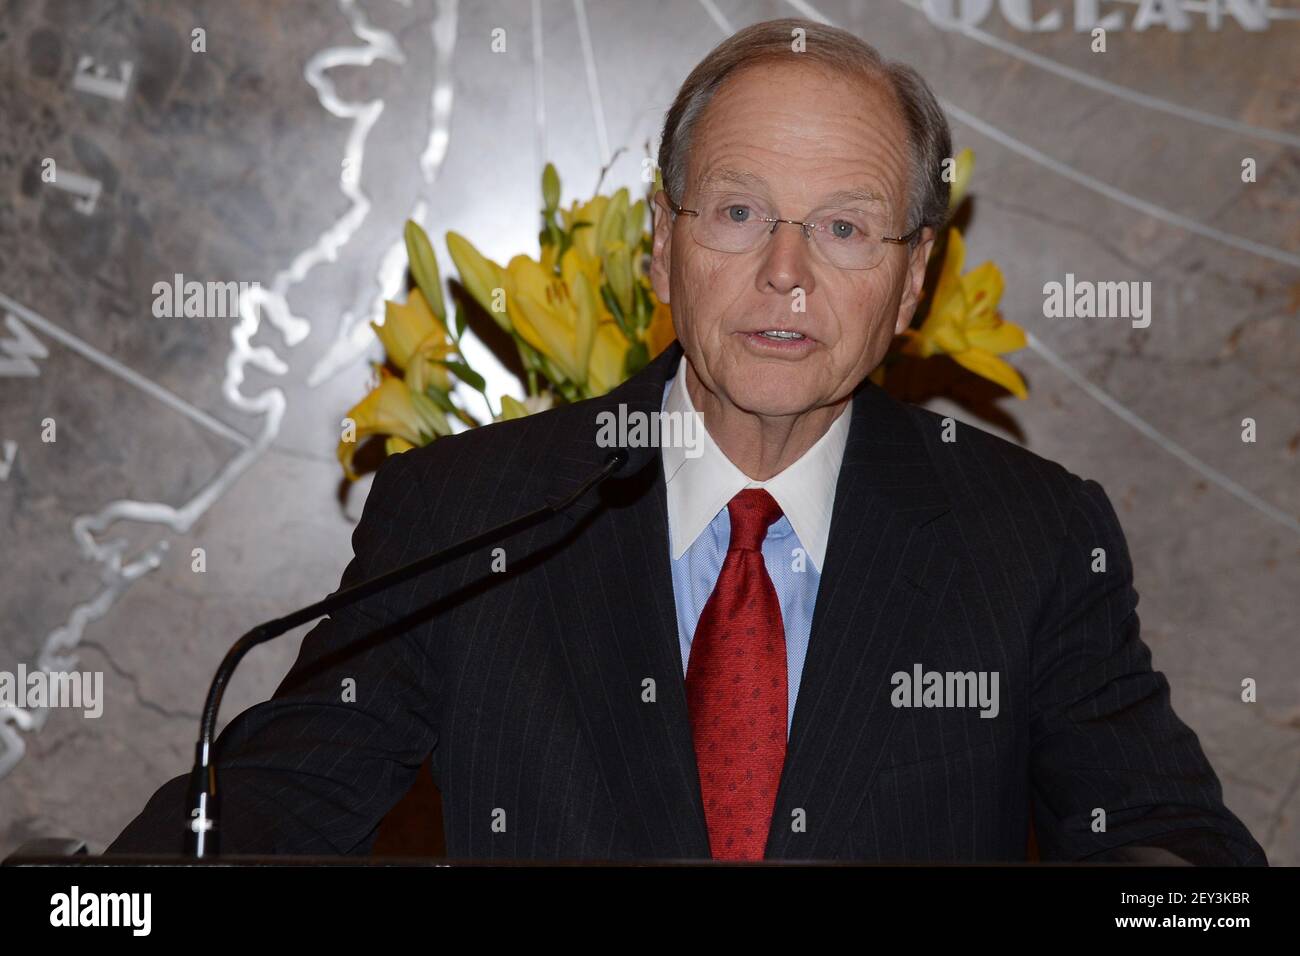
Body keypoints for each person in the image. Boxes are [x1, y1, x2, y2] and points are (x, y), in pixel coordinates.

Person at [107, 18, 1266, 864]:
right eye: (739, 211)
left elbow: (1163, 839)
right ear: (661, 246)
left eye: (846, 228)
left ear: (913, 279)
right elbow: (275, 801)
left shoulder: (1036, 536)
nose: (785, 272)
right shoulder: (471, 513)